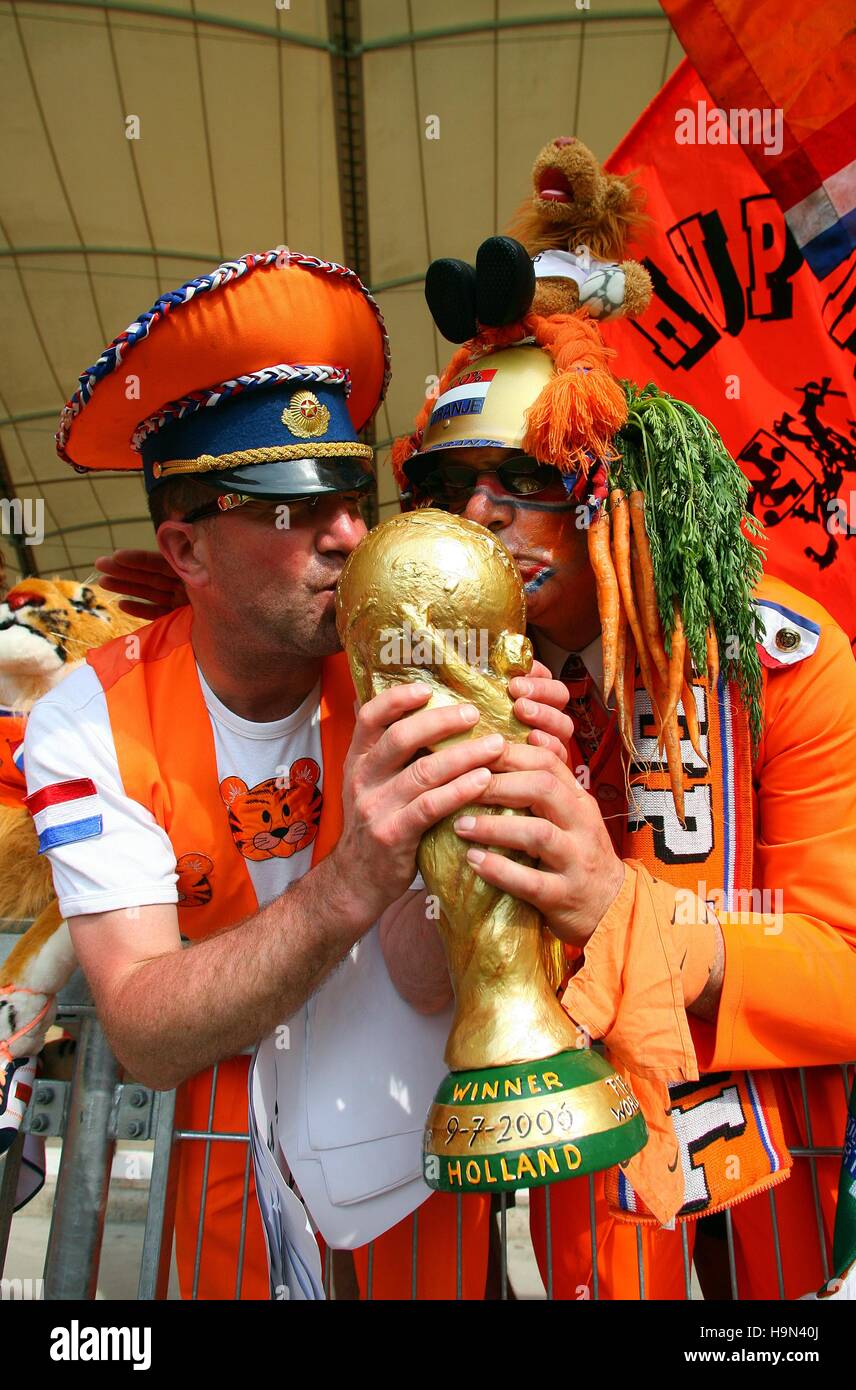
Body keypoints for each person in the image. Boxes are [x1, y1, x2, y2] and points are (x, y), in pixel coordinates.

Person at [22, 250, 573, 1299]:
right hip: (223, 1211)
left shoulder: (413, 650)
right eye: (290, 509)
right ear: (183, 547)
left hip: (425, 1206)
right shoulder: (85, 718)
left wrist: (489, 816)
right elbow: (140, 1026)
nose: (347, 537)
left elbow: (423, 974)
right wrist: (353, 879)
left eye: (352, 495)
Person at [386, 284, 856, 1300]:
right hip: (580, 1197)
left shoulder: (783, 661)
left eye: (525, 476)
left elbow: (854, 976)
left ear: (613, 488)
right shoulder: (430, 687)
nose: (480, 514)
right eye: (449, 485)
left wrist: (619, 913)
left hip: (785, 1193)